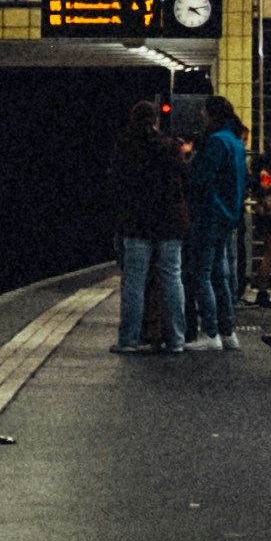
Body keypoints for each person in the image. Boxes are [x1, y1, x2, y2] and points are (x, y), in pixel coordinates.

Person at [104, 88, 189, 354]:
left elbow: (115, 183)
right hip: (169, 223)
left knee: (134, 281)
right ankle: (176, 340)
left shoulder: (124, 146)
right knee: (173, 279)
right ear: (156, 120)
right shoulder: (170, 146)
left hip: (136, 223)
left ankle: (128, 340)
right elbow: (183, 179)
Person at [180, 85, 253, 349]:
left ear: (212, 115)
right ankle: (227, 332)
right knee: (220, 276)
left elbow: (200, 178)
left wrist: (187, 162)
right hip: (229, 216)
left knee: (200, 274)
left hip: (209, 215)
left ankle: (210, 333)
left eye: (204, 112)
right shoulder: (235, 142)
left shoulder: (215, 142)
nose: (201, 116)